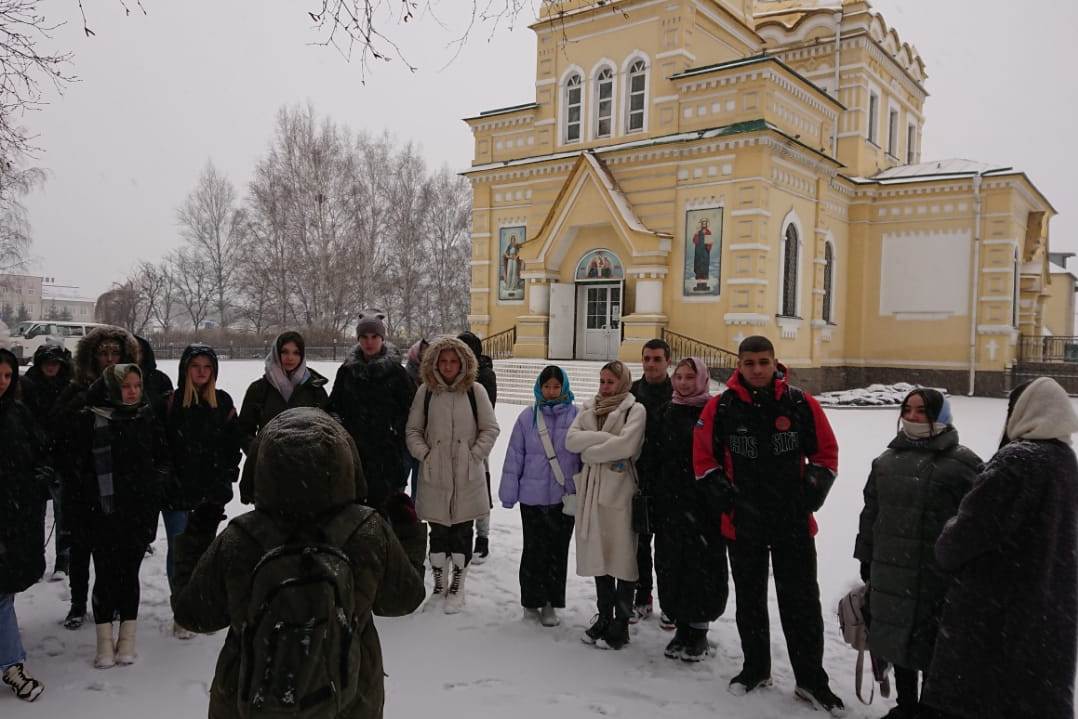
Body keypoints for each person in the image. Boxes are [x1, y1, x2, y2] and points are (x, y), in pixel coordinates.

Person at [171, 408, 425, 719]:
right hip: (349, 700)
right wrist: (410, 533)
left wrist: (195, 541)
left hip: (248, 700)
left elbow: (195, 614)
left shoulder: (242, 537)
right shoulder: (366, 531)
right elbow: (403, 599)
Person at [693, 335, 845, 715]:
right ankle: (755, 668)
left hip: (792, 523)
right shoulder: (721, 407)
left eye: (763, 362)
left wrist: (810, 493)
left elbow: (825, 454)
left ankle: (811, 680)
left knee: (802, 603)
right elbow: (703, 460)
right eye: (749, 363)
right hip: (742, 523)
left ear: (775, 363)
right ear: (739, 365)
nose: (757, 370)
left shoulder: (799, 404)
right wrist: (728, 499)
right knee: (750, 601)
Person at [921, 377, 1078, 719]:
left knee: (980, 699)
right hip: (1047, 613)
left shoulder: (1016, 462)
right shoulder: (1066, 461)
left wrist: (947, 535)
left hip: (995, 614)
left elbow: (961, 539)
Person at [853, 389, 980, 719]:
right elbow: (871, 514)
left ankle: (932, 709)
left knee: (932, 643)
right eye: (907, 410)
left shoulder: (963, 464)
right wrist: (866, 559)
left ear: (939, 416)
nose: (912, 417)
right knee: (896, 641)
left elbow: (975, 521)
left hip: (935, 574)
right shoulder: (885, 462)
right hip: (891, 572)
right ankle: (905, 706)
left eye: (921, 411)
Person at [69, 363, 169, 668]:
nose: (133, 391)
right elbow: (78, 471)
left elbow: (160, 464)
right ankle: (103, 643)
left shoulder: (147, 417)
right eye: (126, 386)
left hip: (136, 515)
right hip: (101, 515)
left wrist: (151, 504)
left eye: (137, 386)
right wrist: (86, 512)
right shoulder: (92, 419)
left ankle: (127, 639)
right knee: (105, 578)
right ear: (113, 387)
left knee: (129, 577)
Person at [52, 325, 141, 630]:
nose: (109, 357)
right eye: (103, 353)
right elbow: (60, 435)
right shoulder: (77, 391)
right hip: (81, 485)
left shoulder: (132, 392)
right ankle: (77, 603)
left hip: (117, 487)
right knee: (80, 549)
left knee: (112, 552)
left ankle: (109, 601)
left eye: (115, 352)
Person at [405, 336, 499, 614]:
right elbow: (413, 430)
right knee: (438, 531)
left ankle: (458, 584)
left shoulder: (475, 390)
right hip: (435, 473)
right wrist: (426, 454)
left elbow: (490, 428)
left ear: (463, 363)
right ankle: (438, 584)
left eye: (453, 361)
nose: (447, 366)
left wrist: (474, 455)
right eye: (442, 361)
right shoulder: (425, 392)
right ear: (434, 363)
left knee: (462, 531)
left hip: (467, 473)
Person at [162, 344, 241, 639]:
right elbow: (162, 448)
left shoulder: (222, 402)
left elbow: (231, 447)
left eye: (207, 367)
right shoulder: (169, 403)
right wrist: (170, 479)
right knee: (179, 552)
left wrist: (225, 476)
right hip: (177, 493)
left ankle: (204, 604)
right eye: (196, 366)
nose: (201, 373)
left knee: (206, 552)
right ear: (185, 369)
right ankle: (182, 610)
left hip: (210, 493)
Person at [566, 360, 646, 650]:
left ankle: (621, 623)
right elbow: (571, 441)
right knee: (599, 556)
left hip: (619, 491)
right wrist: (605, 441)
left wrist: (592, 452)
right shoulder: (588, 407)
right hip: (591, 491)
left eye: (610, 381)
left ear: (623, 382)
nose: (605, 387)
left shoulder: (635, 409)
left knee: (622, 558)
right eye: (602, 381)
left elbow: (627, 447)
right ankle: (605, 615)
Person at [653, 357, 728, 662]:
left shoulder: (713, 412)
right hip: (670, 504)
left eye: (689, 377)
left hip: (702, 506)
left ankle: (698, 630)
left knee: (702, 567)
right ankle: (681, 627)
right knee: (672, 564)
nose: (683, 383)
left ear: (701, 379)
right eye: (679, 377)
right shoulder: (666, 411)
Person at [499, 365, 579, 628]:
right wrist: (508, 493)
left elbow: (582, 459)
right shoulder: (527, 418)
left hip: (562, 498)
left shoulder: (576, 417)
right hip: (532, 499)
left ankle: (550, 603)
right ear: (539, 387)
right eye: (547, 387)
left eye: (556, 386)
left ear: (564, 387)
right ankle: (531, 600)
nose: (552, 392)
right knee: (533, 551)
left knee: (557, 552)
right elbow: (514, 457)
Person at [327, 310, 417, 513]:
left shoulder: (396, 373)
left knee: (384, 513)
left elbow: (410, 411)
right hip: (353, 454)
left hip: (387, 457)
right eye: (364, 337)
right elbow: (333, 407)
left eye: (374, 336)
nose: (369, 342)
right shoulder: (347, 372)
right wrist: (342, 430)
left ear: (382, 338)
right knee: (354, 513)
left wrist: (395, 431)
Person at [0, 347, 47, 702]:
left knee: (5, 591)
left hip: (14, 517)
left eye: (6, 376)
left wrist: (39, 477)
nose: (1, 383)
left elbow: (38, 452)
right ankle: (12, 665)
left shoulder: (17, 413)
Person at [238, 331, 329, 502]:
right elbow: (244, 430)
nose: (290, 357)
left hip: (308, 474)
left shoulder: (314, 390)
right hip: (268, 475)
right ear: (276, 353)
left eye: (296, 353)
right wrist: (260, 454)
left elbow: (328, 430)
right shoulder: (259, 390)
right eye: (285, 352)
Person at [19, 339, 74, 580]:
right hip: (35, 457)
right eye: (47, 363)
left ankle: (63, 559)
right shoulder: (27, 386)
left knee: (64, 513)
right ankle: (36, 557)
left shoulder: (69, 386)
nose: (52, 367)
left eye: (56, 363)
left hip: (62, 456)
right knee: (35, 513)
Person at [629, 338, 672, 624]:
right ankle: (642, 597)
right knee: (639, 544)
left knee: (669, 548)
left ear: (668, 361)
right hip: (639, 478)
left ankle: (670, 602)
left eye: (657, 359)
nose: (651, 364)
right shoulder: (632, 392)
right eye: (647, 358)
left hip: (671, 482)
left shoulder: (678, 390)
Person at [458, 331, 497, 563]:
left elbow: (486, 410)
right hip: (454, 440)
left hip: (478, 439)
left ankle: (482, 537)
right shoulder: (453, 372)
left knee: (481, 486)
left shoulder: (484, 375)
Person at [135, 335, 174, 420]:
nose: (135, 356)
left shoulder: (160, 379)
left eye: (139, 352)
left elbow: (170, 410)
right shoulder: (117, 379)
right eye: (132, 350)